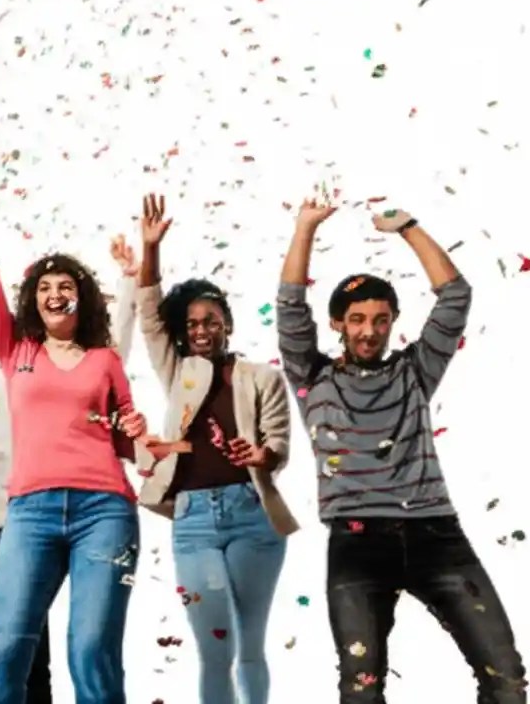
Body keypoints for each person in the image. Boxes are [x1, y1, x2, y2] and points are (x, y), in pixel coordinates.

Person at [0, 143, 149, 704]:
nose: (55, 293)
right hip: (30, 511)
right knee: (2, 646)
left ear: (81, 299)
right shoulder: (15, 349)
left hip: (105, 509)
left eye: (65, 286)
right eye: (44, 288)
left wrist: (141, 431)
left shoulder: (105, 360)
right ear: (35, 302)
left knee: (90, 649)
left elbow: (125, 441)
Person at [277, 199, 526, 703]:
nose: (369, 330)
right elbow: (289, 308)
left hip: (436, 535)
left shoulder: (413, 373)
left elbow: (455, 296)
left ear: (393, 321)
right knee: (361, 689)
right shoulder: (314, 378)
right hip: (357, 543)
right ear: (338, 325)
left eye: (381, 318)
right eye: (357, 319)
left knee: (505, 677)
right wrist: (305, 227)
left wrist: (409, 228)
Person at [128, 193, 297, 704]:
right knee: (214, 648)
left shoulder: (262, 377)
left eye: (211, 320)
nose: (202, 330)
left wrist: (262, 457)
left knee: (250, 645)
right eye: (193, 324)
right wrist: (150, 249)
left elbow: (280, 444)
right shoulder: (179, 371)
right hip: (194, 520)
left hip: (253, 516)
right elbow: (150, 316)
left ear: (228, 324)